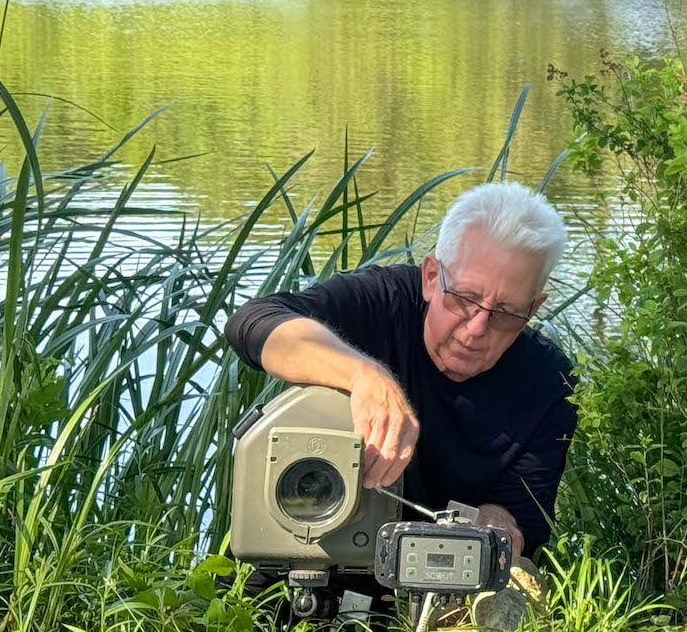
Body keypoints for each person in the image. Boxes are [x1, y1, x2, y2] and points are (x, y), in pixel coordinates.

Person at [225, 181, 576, 563]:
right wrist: (365, 377)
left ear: (533, 308)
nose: (476, 328)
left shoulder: (551, 383)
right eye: (465, 298)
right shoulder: (381, 301)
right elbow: (253, 322)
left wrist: (497, 525)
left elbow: (522, 509)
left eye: (506, 313)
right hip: (305, 559)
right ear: (430, 277)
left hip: (439, 583)